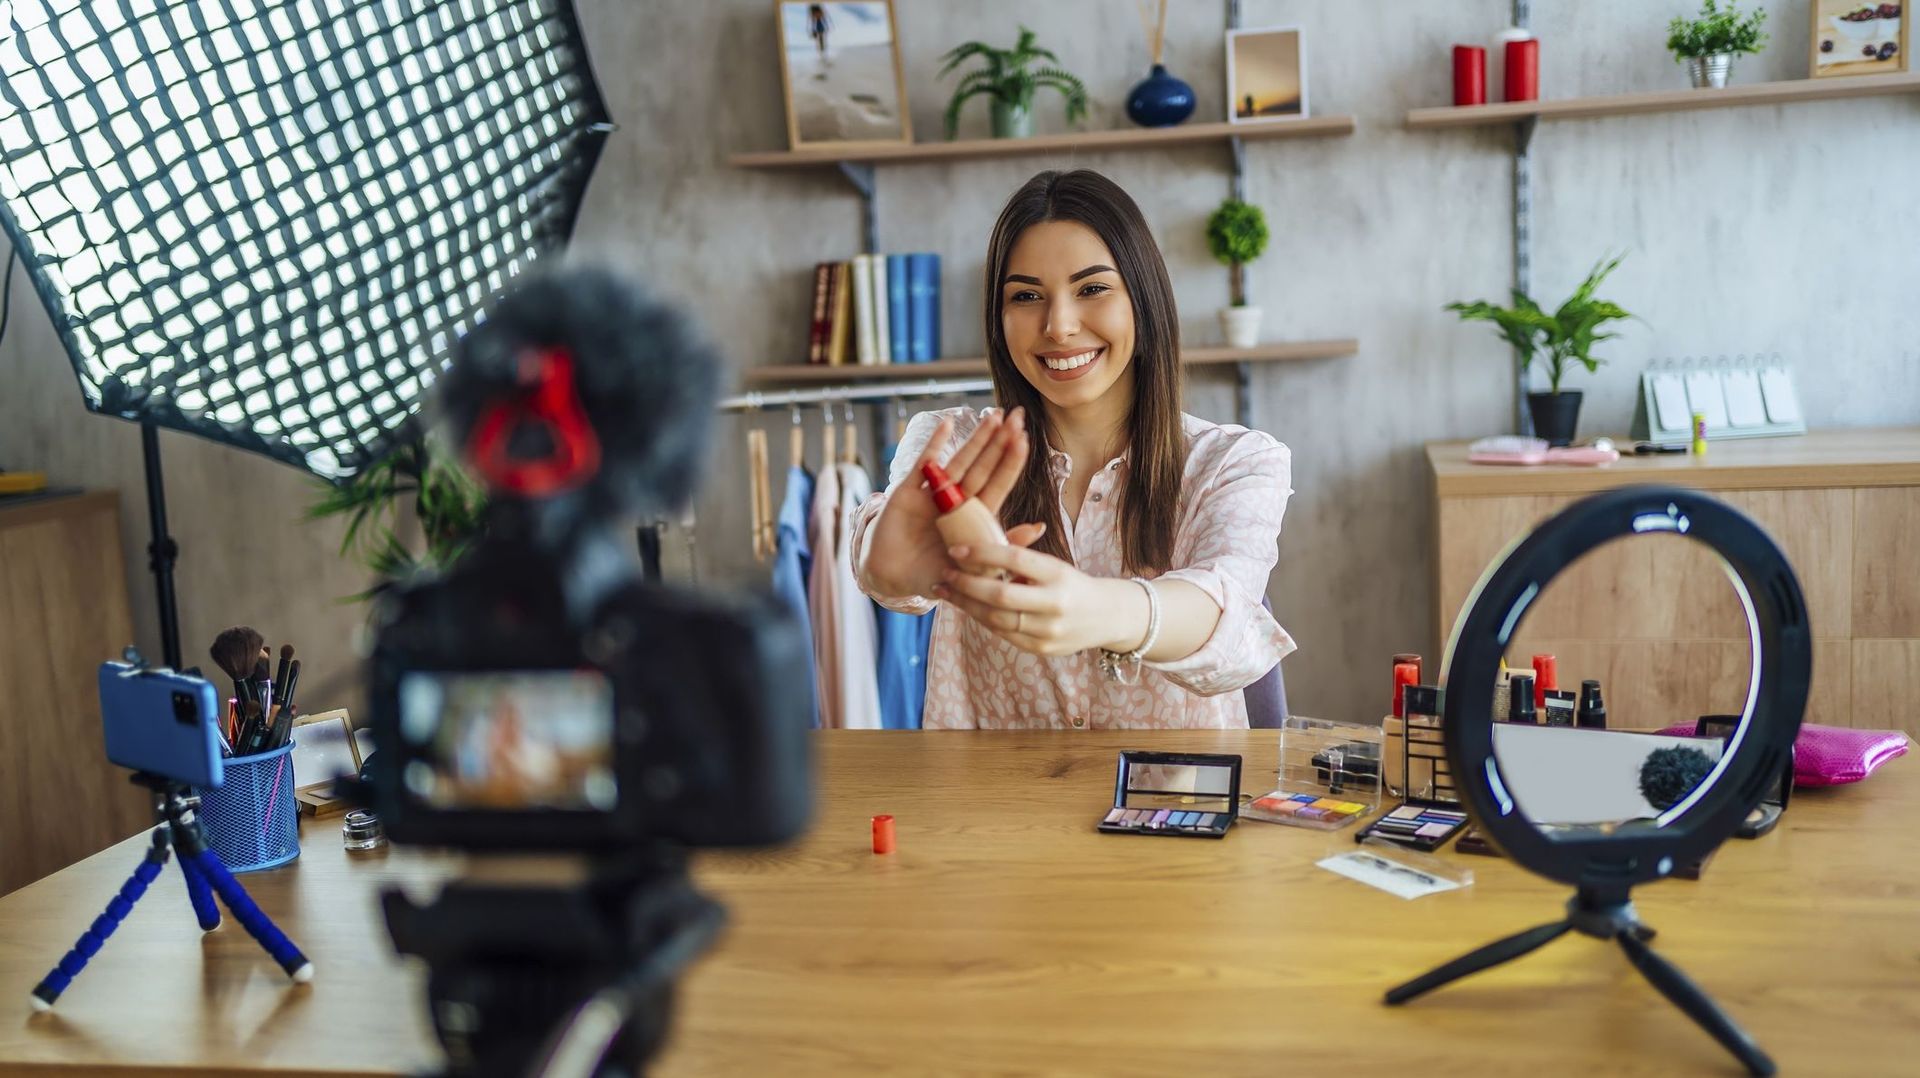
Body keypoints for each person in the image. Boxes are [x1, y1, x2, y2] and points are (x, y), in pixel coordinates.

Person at [850, 169, 1295, 729]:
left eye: (1092, 289)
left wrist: (1099, 610)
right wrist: (889, 568)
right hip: (994, 810)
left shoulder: (1235, 462)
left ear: (1143, 298)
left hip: (1172, 806)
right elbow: (891, 572)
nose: (1058, 326)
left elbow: (1224, 613)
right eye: (1027, 296)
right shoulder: (954, 443)